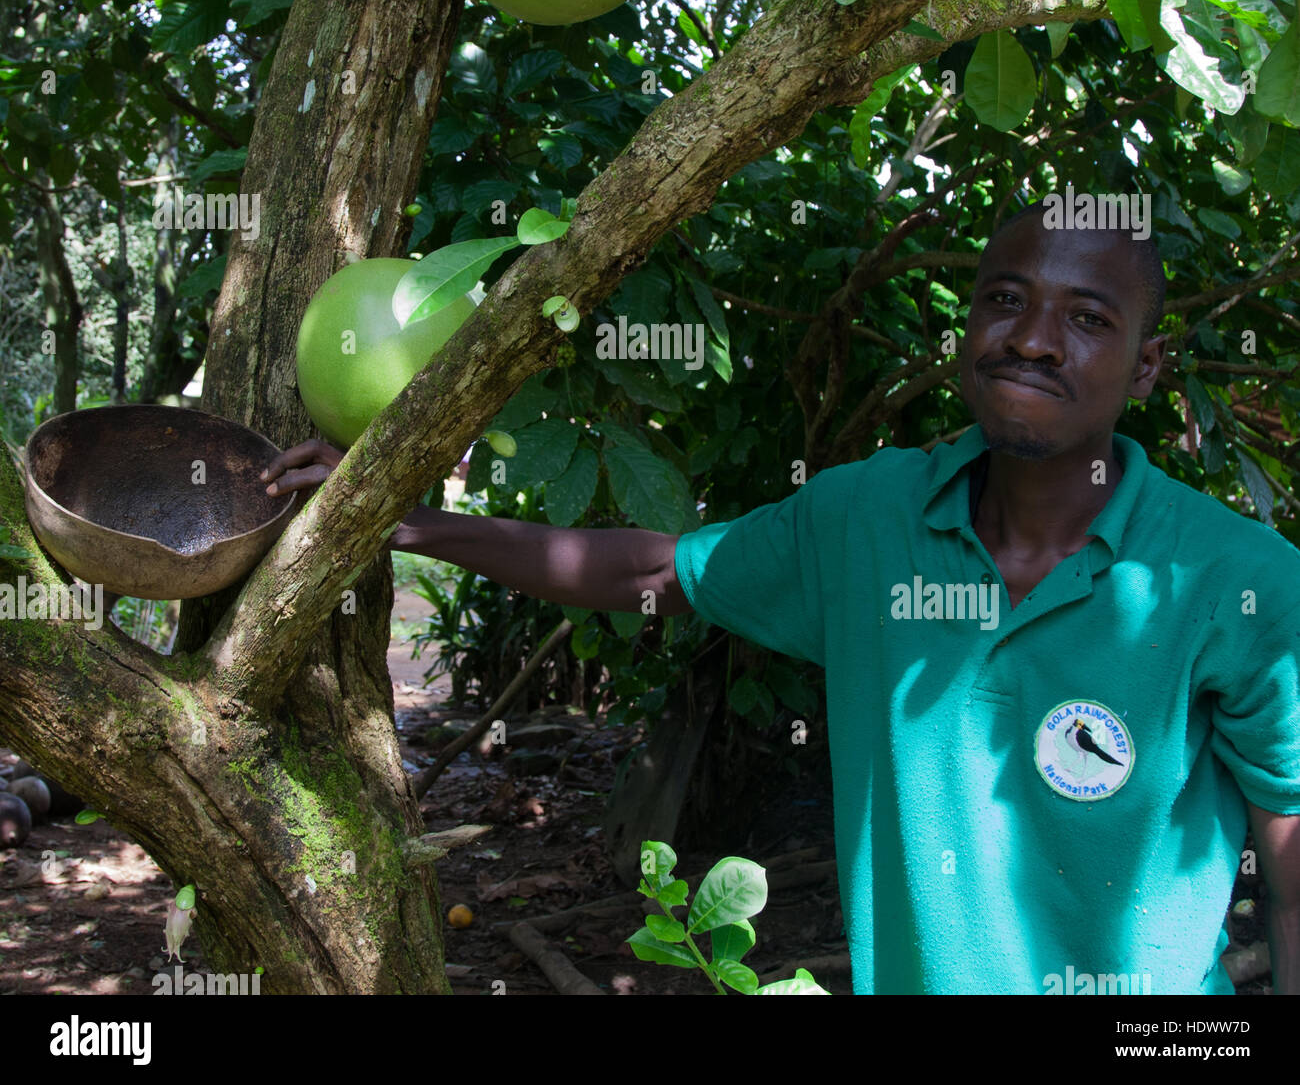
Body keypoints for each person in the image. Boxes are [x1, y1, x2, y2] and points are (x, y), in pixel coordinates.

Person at [261, 201, 1300, 995]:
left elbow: (1289, 857)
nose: (1030, 338)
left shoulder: (1239, 581)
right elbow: (651, 572)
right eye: (1003, 298)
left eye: (1086, 316)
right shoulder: (862, 519)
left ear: (1148, 363)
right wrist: (411, 520)